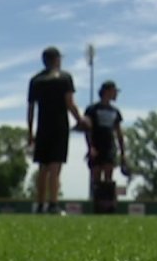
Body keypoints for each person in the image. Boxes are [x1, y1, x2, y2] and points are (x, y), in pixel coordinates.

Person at [27, 47, 89, 214]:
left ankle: (40, 205)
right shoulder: (65, 78)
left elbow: (31, 109)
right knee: (55, 167)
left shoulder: (35, 80)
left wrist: (30, 132)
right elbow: (69, 103)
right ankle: (53, 204)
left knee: (42, 167)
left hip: (42, 127)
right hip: (59, 126)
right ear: (56, 60)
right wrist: (80, 120)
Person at [84, 80, 126, 193]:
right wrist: (90, 147)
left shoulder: (115, 111)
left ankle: (107, 205)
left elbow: (119, 133)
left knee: (108, 177)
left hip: (110, 146)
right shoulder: (92, 109)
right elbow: (87, 130)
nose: (116, 94)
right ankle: (96, 204)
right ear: (107, 91)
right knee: (96, 177)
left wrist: (123, 153)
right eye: (114, 91)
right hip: (96, 145)